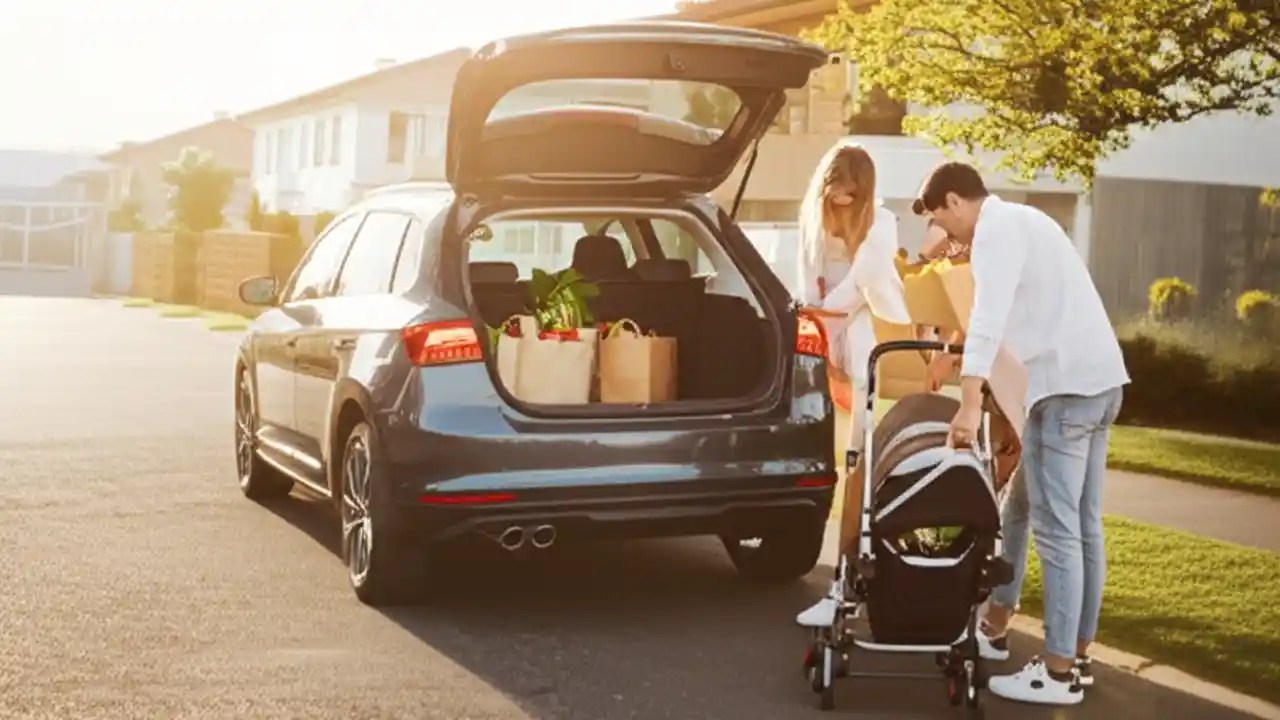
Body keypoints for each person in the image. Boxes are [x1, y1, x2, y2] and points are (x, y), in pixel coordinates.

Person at [911, 161, 1130, 706]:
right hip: (1099, 383)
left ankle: (1056, 673)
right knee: (1055, 518)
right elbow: (1004, 312)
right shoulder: (1027, 223)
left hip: (1062, 395)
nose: (946, 233)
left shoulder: (992, 234)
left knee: (1058, 531)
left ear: (957, 202)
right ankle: (1027, 639)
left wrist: (966, 403)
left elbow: (988, 315)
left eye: (943, 218)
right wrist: (956, 345)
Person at [792, 142, 911, 629]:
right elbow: (807, 279)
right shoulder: (813, 221)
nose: (842, 206)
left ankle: (844, 579)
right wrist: (815, 324)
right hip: (825, 338)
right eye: (834, 198)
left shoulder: (880, 225)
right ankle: (840, 578)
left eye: (850, 198)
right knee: (833, 459)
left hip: (863, 339)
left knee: (857, 464)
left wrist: (827, 319)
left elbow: (865, 287)